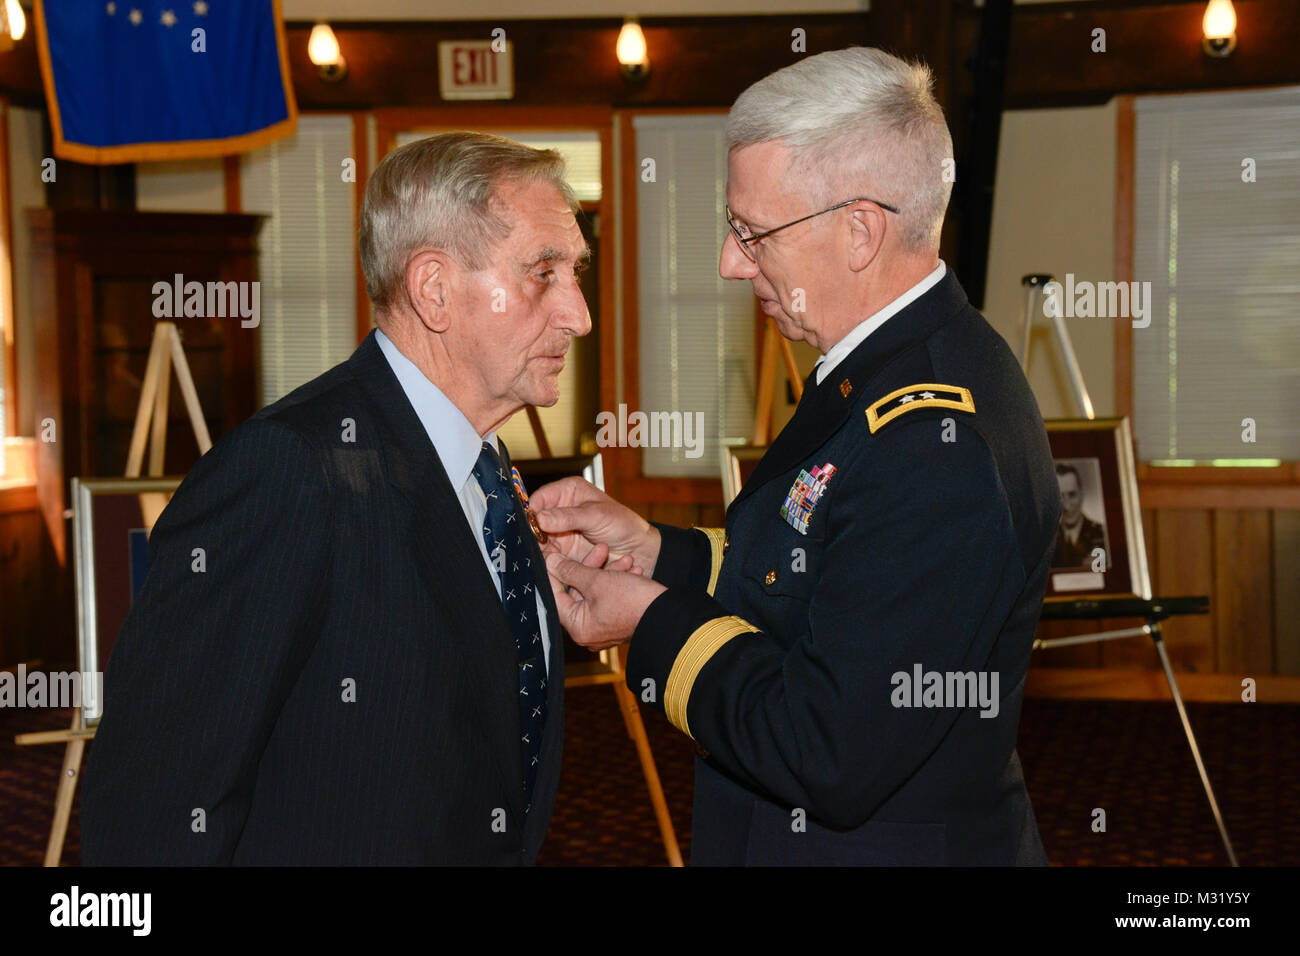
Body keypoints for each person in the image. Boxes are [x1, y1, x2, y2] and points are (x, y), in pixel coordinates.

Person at [534, 47, 1060, 865]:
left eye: (754, 232)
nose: (729, 261)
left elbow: (830, 750)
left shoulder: (934, 440)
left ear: (860, 231)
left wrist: (651, 620)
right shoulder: (883, 367)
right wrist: (654, 553)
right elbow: (814, 568)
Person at [81, 132, 602, 864]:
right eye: (543, 273)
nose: (579, 314)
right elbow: (154, 809)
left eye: (575, 273)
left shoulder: (485, 466)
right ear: (434, 290)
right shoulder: (286, 471)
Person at [1053, 462, 1108, 568]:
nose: (1067, 505)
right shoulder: (1048, 540)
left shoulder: (1101, 534)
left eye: (1072, 495)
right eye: (1060, 497)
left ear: (1082, 495)